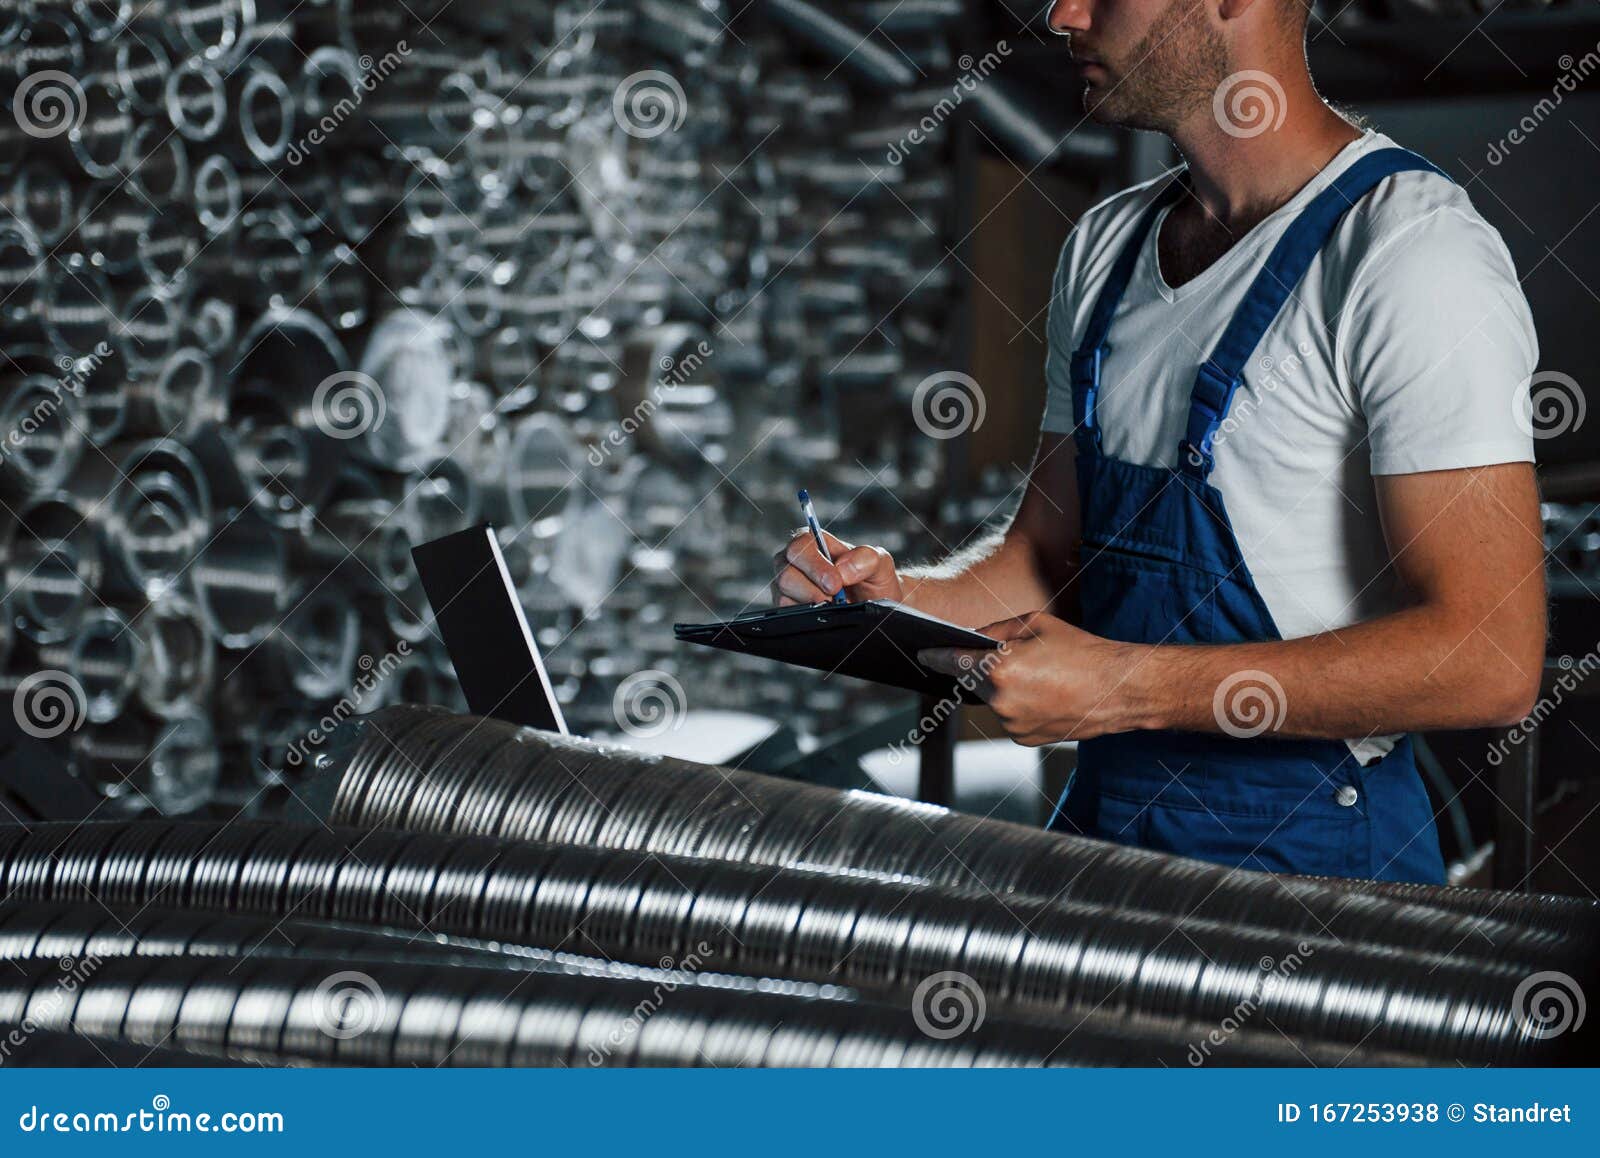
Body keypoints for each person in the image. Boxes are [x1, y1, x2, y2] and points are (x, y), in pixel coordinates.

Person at [772, 0, 1546, 882]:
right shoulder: (1105, 248)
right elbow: (1047, 558)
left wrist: (1122, 689)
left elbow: (1490, 658)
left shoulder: (1408, 252)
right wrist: (894, 599)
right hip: (1110, 837)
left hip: (1310, 872)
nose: (1064, 15)